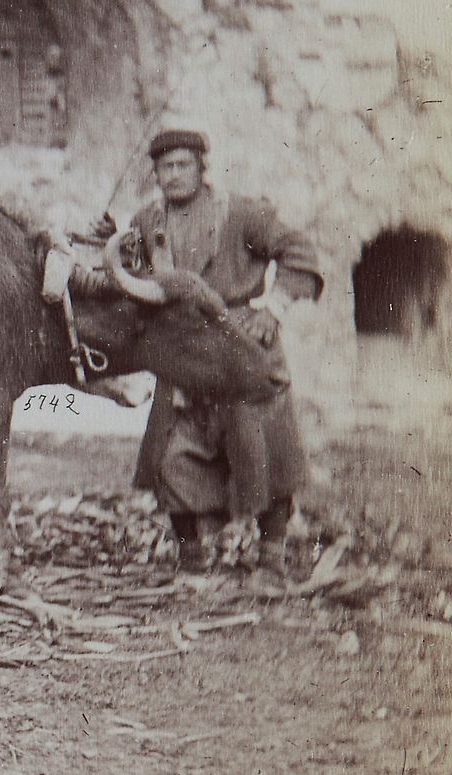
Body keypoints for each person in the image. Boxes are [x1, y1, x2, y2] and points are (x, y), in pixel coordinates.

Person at [125, 128, 322, 574]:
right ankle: (190, 557)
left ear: (201, 168)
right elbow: (132, 280)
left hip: (242, 350)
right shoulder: (147, 223)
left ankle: (272, 559)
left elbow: (299, 253)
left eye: (182, 165)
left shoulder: (240, 215)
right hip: (183, 354)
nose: (173, 175)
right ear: (154, 173)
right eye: (164, 167)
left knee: (266, 449)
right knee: (170, 453)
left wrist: (273, 308)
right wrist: (110, 245)